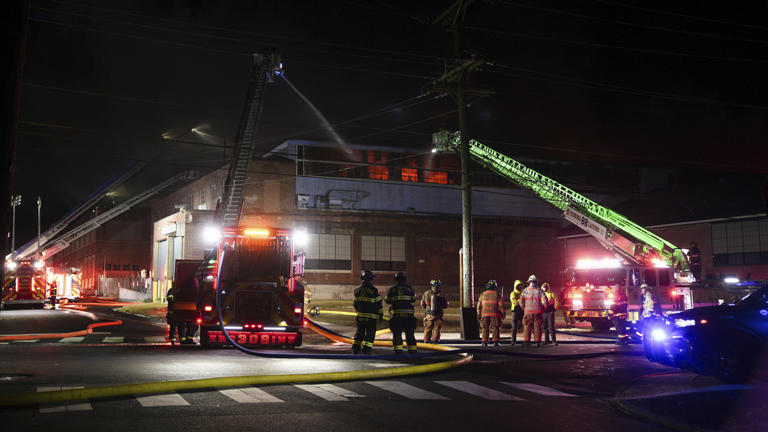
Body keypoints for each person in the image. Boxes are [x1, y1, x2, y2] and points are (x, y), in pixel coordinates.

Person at [385, 271, 417, 354]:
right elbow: (413, 299)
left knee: (397, 334)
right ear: (405, 279)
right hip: (408, 316)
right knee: (410, 333)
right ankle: (412, 351)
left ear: (396, 279)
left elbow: (387, 300)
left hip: (396, 315)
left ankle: (398, 351)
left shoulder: (392, 289)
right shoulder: (409, 288)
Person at [353, 269, 383, 354]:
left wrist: (358, 312)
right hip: (371, 318)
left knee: (359, 332)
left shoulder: (357, 290)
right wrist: (380, 314)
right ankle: (366, 349)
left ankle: (356, 348)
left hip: (360, 316)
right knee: (370, 333)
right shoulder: (374, 290)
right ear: (371, 279)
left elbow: (355, 303)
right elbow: (378, 303)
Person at [520, 274, 547, 347]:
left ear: (529, 282)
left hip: (527, 312)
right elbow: (545, 301)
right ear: (536, 282)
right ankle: (538, 342)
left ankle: (526, 341)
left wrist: (524, 309)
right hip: (537, 312)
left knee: (527, 327)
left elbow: (521, 302)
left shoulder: (525, 291)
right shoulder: (539, 290)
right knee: (537, 327)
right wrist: (543, 309)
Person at [477, 280, 504, 347]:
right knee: (495, 328)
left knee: (485, 328)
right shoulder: (496, 294)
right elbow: (501, 305)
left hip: (484, 314)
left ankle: (484, 342)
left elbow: (479, 306)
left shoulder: (483, 294)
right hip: (495, 314)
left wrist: (479, 314)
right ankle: (496, 342)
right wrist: (503, 313)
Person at [421, 278, 448, 343]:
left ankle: (426, 342)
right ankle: (434, 342)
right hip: (438, 315)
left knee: (427, 329)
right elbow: (445, 305)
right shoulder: (441, 294)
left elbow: (422, 304)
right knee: (436, 329)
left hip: (429, 315)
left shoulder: (426, 293)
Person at [509, 280, 524, 346]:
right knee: (514, 327)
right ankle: (513, 341)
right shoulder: (513, 293)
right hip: (515, 311)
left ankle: (526, 340)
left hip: (522, 310)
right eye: (518, 285)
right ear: (515, 286)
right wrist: (522, 300)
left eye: (521, 285)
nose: (520, 286)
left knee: (525, 325)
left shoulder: (523, 292)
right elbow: (515, 302)